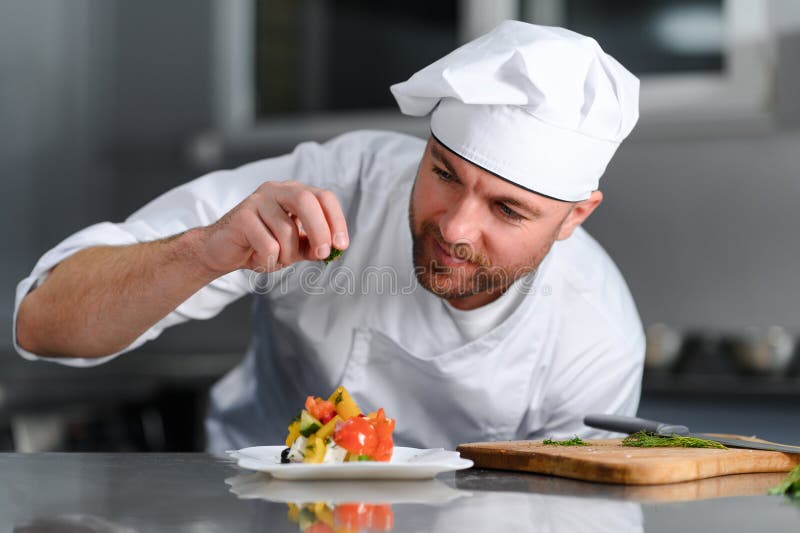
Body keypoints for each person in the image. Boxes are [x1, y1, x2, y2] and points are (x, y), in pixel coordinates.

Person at [13, 21, 644, 452]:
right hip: (257, 508)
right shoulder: (335, 187)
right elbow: (42, 323)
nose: (455, 226)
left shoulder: (597, 338)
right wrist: (204, 251)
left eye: (507, 210)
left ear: (574, 217)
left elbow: (573, 514)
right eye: (444, 174)